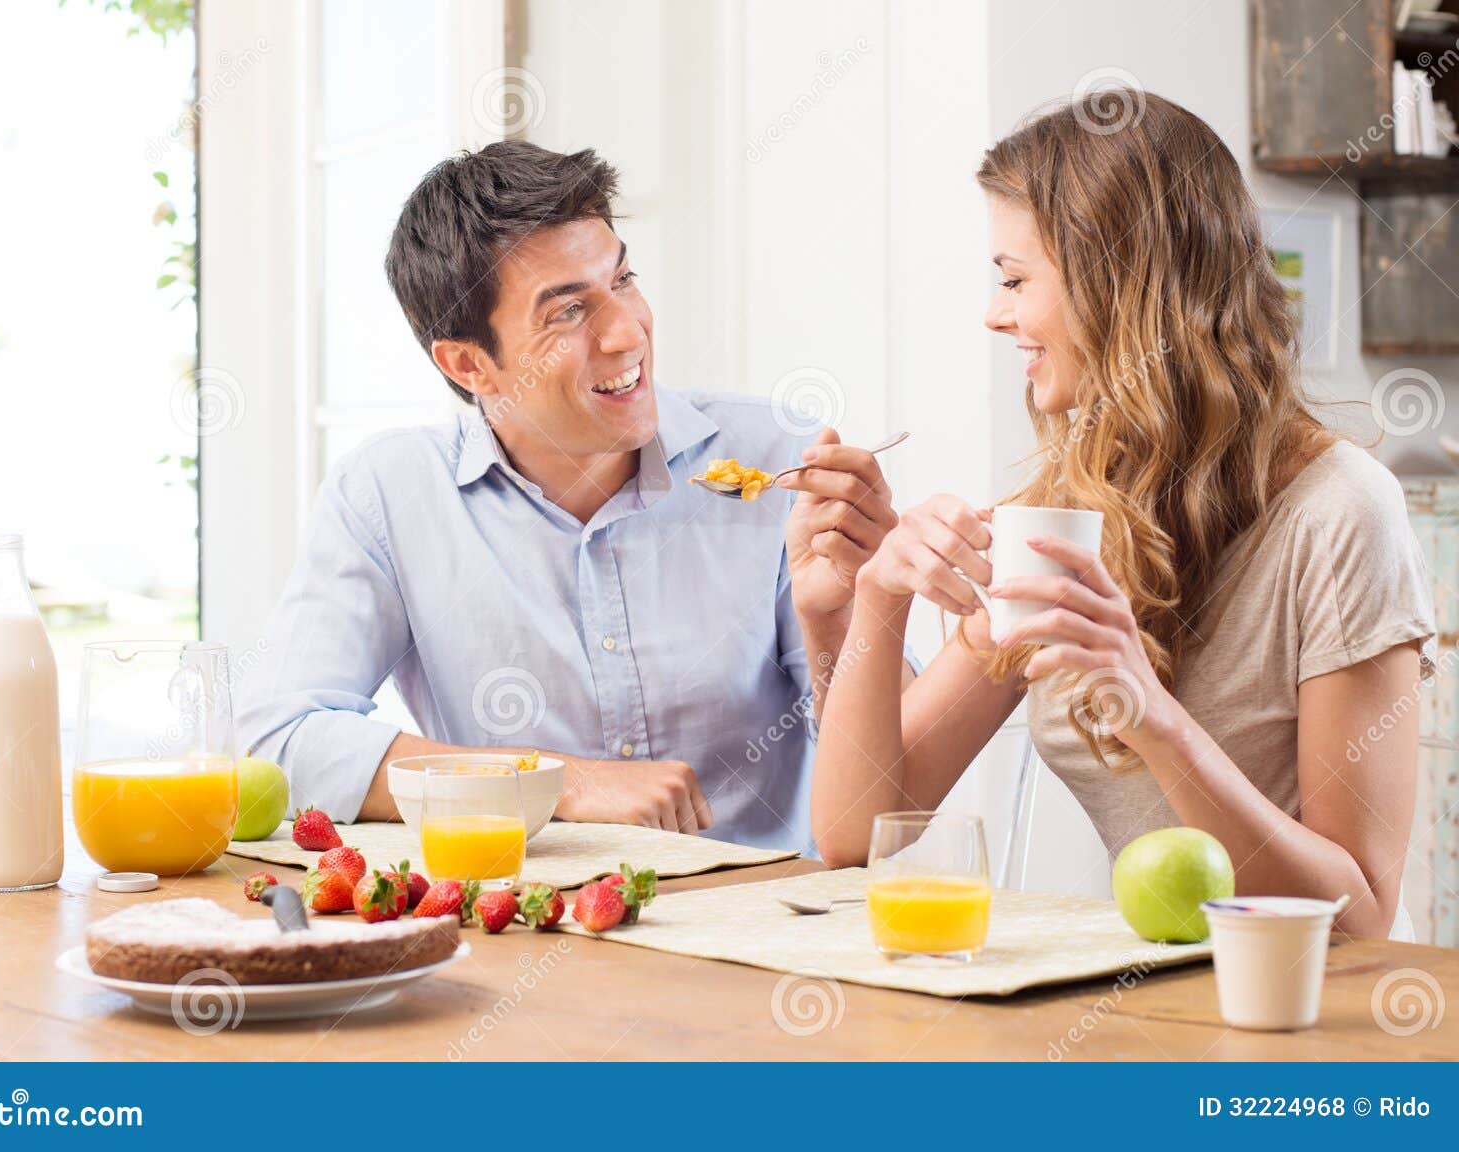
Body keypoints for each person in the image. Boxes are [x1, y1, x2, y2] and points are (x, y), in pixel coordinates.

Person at [796, 92, 1434, 936]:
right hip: (1130, 1013)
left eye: (1016, 280)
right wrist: (873, 596)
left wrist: (1158, 721)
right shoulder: (1061, 513)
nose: (995, 314)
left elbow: (1358, 920)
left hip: (1296, 1027)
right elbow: (850, 834)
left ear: (1118, 285)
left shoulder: (1341, 511)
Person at [239, 141, 905, 851]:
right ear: (470, 365)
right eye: (567, 313)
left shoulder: (780, 461)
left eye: (623, 279)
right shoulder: (388, 495)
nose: (626, 332)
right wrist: (560, 782)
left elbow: (883, 784)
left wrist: (846, 615)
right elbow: (282, 741)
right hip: (526, 937)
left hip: (762, 928)